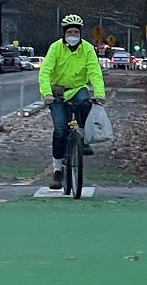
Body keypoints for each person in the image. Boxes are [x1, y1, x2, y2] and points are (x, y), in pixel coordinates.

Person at [39, 14, 107, 189]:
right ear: (64, 33)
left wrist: (100, 93)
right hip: (58, 91)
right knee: (60, 130)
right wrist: (47, 94)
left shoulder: (87, 49)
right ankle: (57, 170)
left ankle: (83, 139)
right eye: (70, 32)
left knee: (85, 104)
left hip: (78, 89)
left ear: (80, 33)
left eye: (76, 32)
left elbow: (94, 72)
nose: (73, 35)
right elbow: (45, 72)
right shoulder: (55, 48)